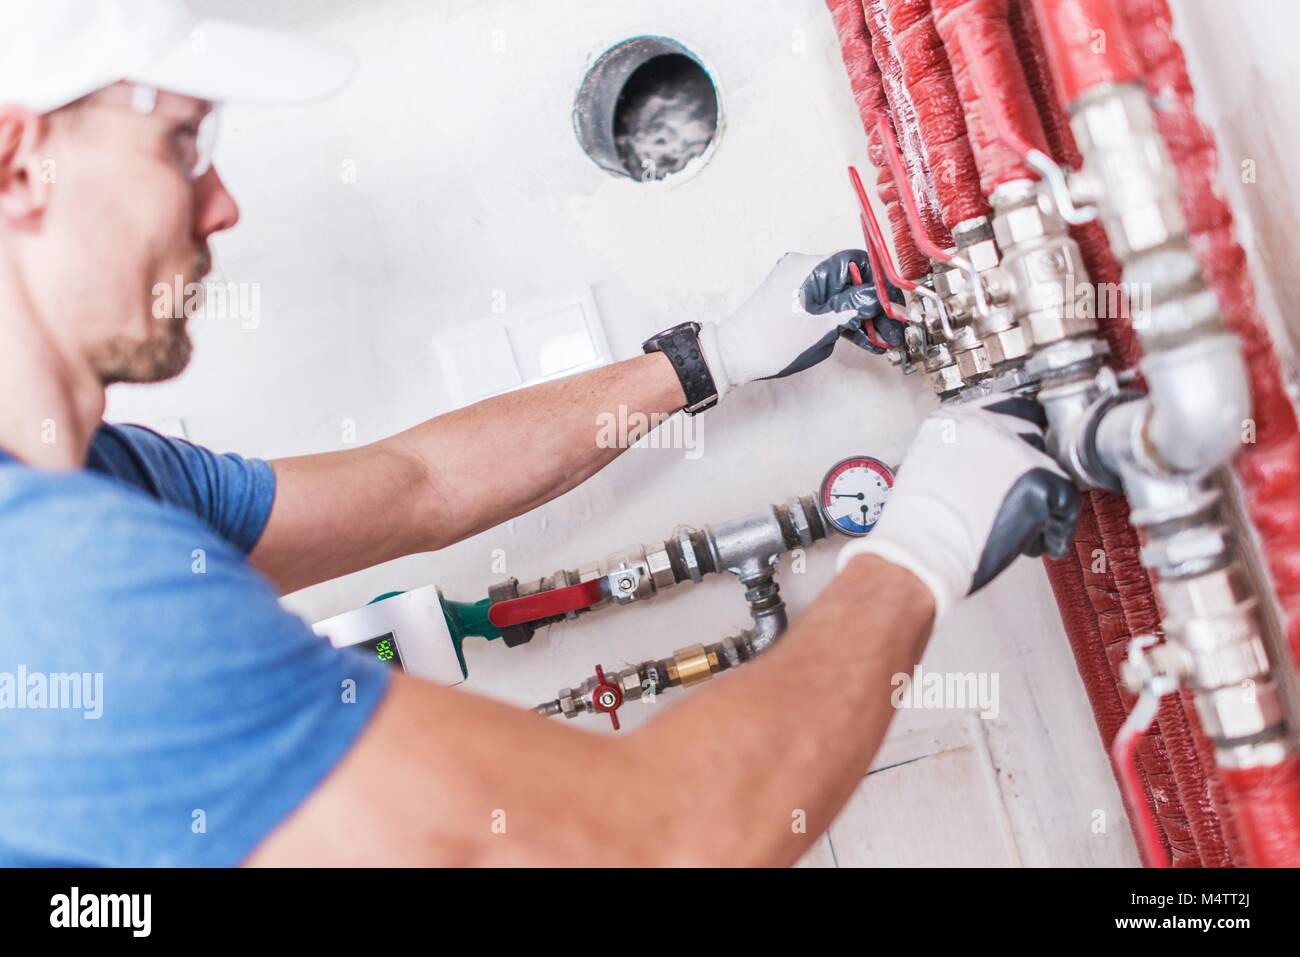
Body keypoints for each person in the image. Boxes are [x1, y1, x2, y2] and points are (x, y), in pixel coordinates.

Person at [0, 0, 1079, 866]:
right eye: (180, 142)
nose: (222, 202)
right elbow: (662, 838)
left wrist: (708, 358)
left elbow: (415, 487)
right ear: (17, 164)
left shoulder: (103, 478)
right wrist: (921, 547)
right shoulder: (50, 583)